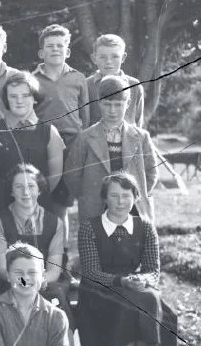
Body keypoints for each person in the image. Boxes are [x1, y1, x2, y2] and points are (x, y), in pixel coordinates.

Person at [76, 172, 172, 346]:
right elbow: (90, 272)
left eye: (126, 196)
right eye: (114, 196)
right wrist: (121, 281)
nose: (121, 202)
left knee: (149, 297)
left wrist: (143, 280)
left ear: (136, 197)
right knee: (128, 302)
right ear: (105, 198)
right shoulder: (90, 227)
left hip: (133, 287)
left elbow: (153, 270)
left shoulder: (146, 228)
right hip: (98, 290)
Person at [0, 164, 75, 346]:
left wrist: (37, 282)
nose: (25, 192)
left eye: (31, 186)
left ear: (40, 189)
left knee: (56, 298)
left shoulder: (55, 222)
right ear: (11, 190)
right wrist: (23, 282)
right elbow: (1, 268)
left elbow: (54, 268)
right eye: (18, 187)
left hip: (44, 282)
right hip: (9, 282)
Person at [63, 75, 158, 223]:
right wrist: (89, 197)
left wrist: (133, 196)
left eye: (118, 105)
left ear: (128, 104)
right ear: (98, 103)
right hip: (95, 211)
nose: (112, 111)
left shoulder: (141, 137)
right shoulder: (85, 138)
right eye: (107, 104)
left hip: (133, 211)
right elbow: (72, 176)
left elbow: (151, 172)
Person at [0, 70, 64, 214]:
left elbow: (54, 176)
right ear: (6, 99)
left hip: (37, 207)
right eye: (13, 96)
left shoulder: (49, 132)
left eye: (25, 95)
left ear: (35, 98)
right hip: (0, 205)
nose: (19, 101)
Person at [31, 24, 90, 150]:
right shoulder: (32, 79)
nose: (55, 49)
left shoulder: (79, 78)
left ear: (67, 52)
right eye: (50, 46)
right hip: (43, 139)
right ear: (41, 53)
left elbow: (85, 116)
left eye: (60, 46)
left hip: (74, 140)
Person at [86, 34, 145, 128]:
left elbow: (138, 122)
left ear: (123, 58)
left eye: (115, 57)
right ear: (94, 59)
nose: (108, 61)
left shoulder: (134, 86)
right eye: (103, 57)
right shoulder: (86, 86)